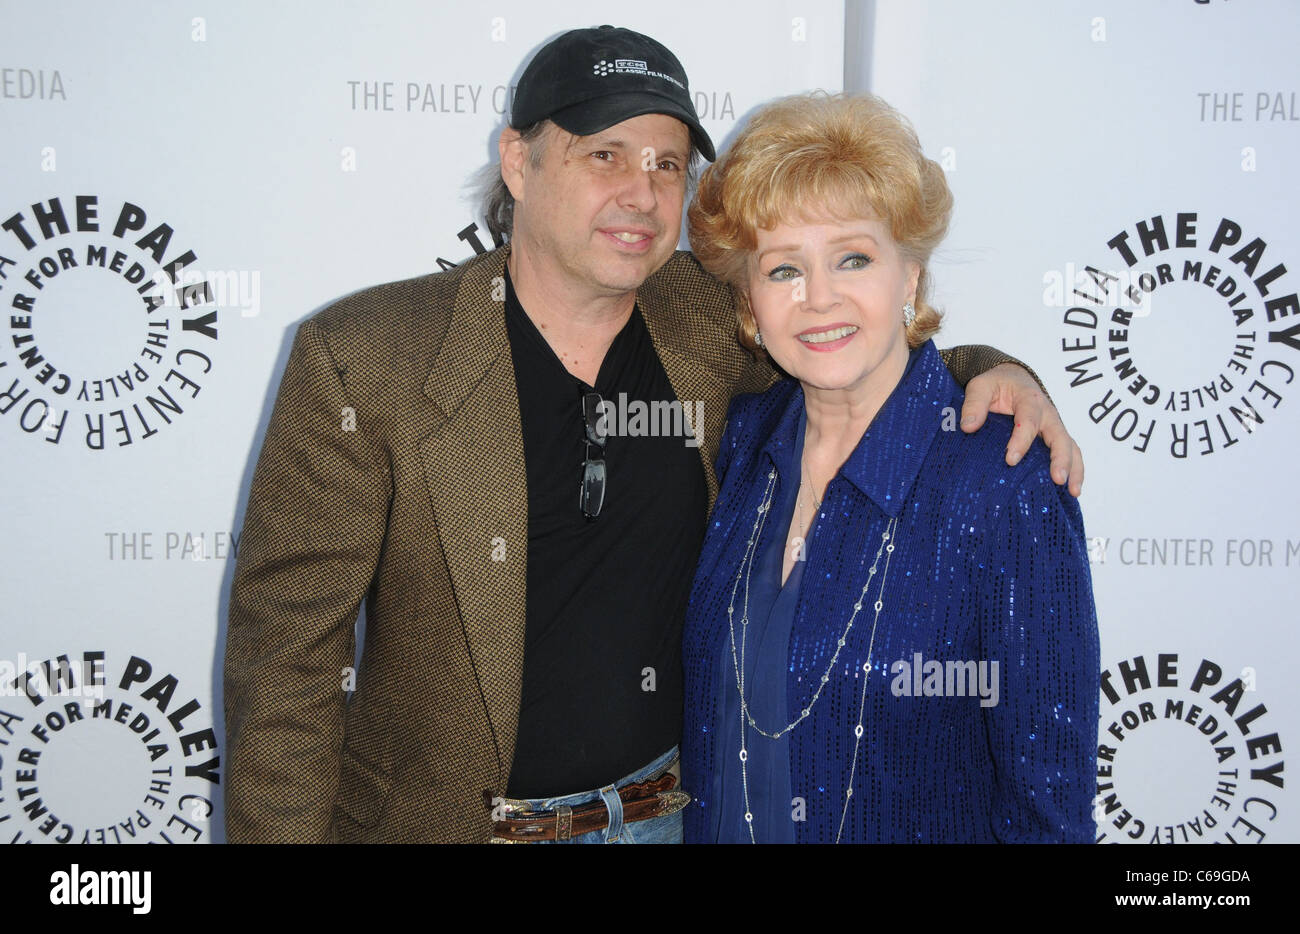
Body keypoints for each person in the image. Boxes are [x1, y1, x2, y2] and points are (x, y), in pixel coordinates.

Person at [223, 26, 1083, 845]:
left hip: (674, 820)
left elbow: (857, 346)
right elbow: (285, 671)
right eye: (604, 155)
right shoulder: (365, 357)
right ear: (517, 162)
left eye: (666, 163)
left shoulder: (705, 320)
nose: (641, 192)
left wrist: (995, 371)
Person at [681, 92, 1100, 843]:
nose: (819, 298)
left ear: (910, 276)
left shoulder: (1002, 479)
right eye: (783, 270)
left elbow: (1049, 810)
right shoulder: (745, 444)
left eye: (853, 258)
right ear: (748, 302)